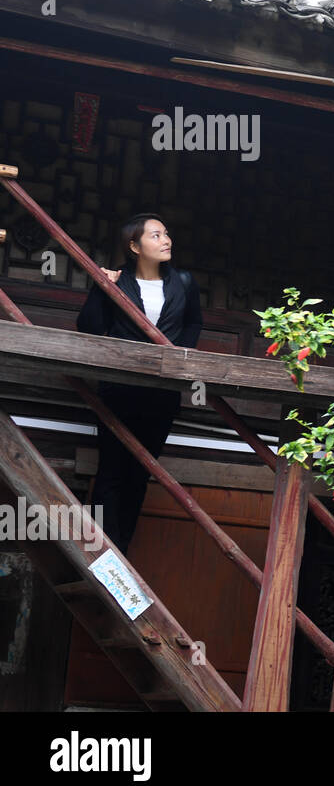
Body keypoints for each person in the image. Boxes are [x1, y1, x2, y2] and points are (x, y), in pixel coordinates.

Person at [76, 214, 202, 552]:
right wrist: (103, 289)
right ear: (135, 246)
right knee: (111, 471)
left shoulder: (185, 283)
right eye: (156, 235)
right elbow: (89, 328)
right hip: (119, 390)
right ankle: (101, 551)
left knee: (140, 472)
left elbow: (192, 326)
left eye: (166, 233)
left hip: (161, 395)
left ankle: (122, 551)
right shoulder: (119, 280)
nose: (166, 240)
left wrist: (177, 359)